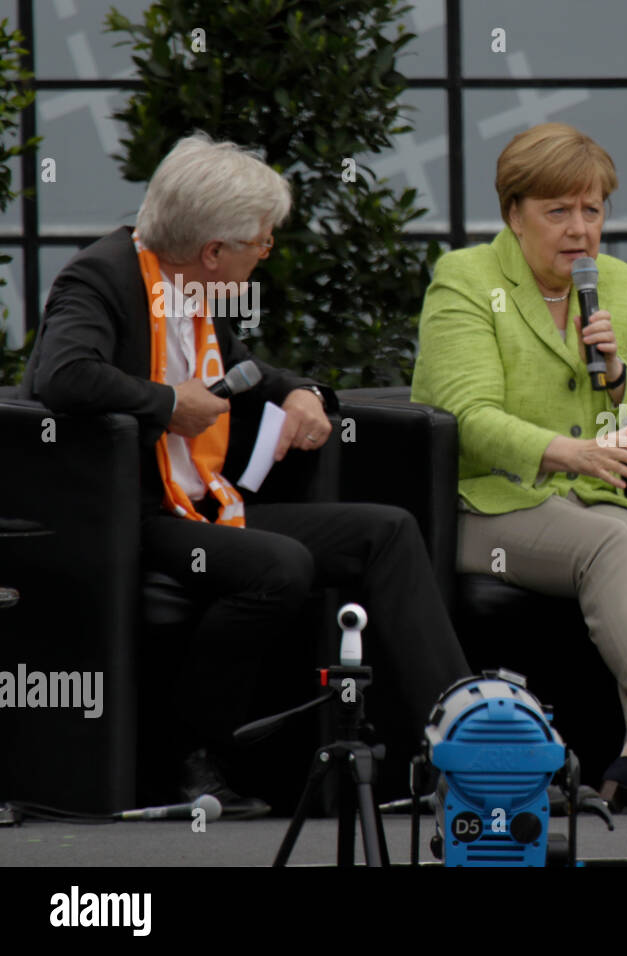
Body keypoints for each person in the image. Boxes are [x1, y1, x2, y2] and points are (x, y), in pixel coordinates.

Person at [22, 132, 471, 814]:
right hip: (135, 515)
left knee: (386, 530)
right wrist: (169, 405)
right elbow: (61, 374)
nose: (267, 250)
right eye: (261, 240)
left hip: (208, 507)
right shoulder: (104, 275)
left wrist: (303, 393)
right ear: (213, 251)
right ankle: (186, 754)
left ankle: (458, 749)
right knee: (278, 564)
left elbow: (249, 370)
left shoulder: (193, 289)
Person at [412, 122, 627, 812]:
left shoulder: (618, 287)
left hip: (585, 505)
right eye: (557, 211)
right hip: (488, 506)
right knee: (618, 541)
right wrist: (569, 451)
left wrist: (621, 374)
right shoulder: (467, 280)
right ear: (514, 213)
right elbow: (468, 419)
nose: (579, 231)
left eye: (591, 211)